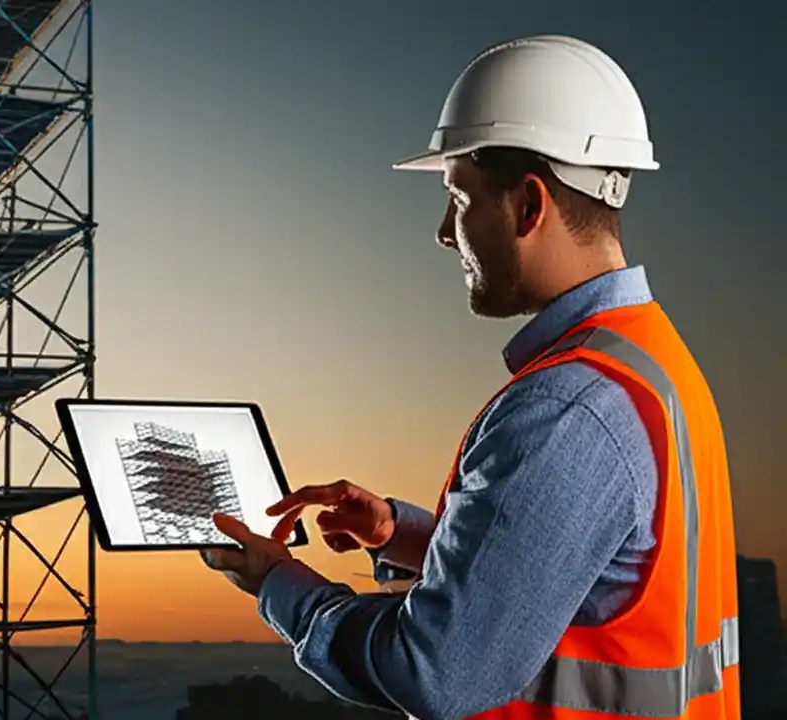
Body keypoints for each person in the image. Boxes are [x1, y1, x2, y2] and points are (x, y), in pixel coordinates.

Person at [199, 35, 741, 719]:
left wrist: (282, 585)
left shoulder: (566, 408)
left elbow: (434, 672)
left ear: (528, 206)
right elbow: (564, 569)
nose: (443, 231)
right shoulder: (652, 361)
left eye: (458, 197)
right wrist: (398, 533)